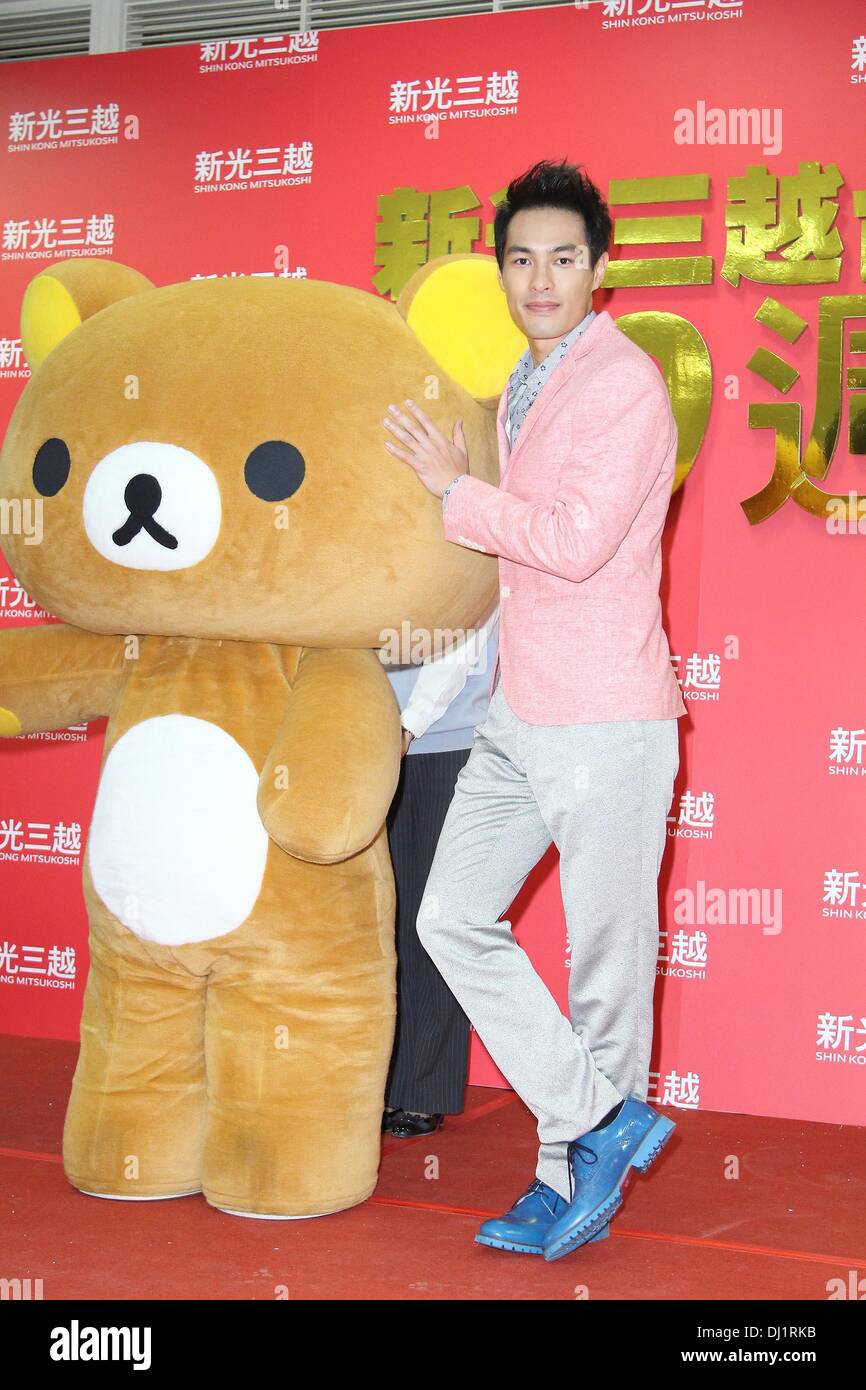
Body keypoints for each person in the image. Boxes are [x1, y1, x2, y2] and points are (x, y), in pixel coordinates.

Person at [382, 157, 687, 1262]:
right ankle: (598, 1123)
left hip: (604, 717)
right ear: (500, 272)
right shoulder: (526, 377)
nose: (539, 278)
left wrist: (452, 492)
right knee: (447, 913)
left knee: (603, 967)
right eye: (520, 259)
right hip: (521, 711)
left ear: (600, 271)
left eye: (563, 258)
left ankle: (569, 1180)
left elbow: (569, 541)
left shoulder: (622, 386)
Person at [381, 603, 499, 1139]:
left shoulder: (474, 535)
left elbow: (460, 647)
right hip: (362, 740)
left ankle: (420, 1090)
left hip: (440, 744)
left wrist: (406, 728)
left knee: (428, 918)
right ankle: (373, 1080)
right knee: (374, 917)